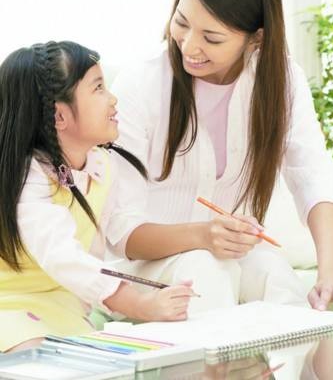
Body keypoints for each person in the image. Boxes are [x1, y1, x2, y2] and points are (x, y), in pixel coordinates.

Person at [111, 0, 333, 315]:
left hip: (230, 258)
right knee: (204, 270)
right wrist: (202, 236)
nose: (188, 46)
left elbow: (312, 173)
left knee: (278, 278)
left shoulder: (279, 80)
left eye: (211, 37)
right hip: (143, 267)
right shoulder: (142, 83)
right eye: (181, 23)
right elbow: (120, 231)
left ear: (256, 37)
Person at [0, 41, 194, 353]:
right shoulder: (28, 176)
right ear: (59, 116)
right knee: (46, 362)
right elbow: (65, 258)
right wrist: (140, 305)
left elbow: (104, 247)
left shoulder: (102, 165)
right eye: (99, 88)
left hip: (65, 306)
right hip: (8, 308)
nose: (113, 99)